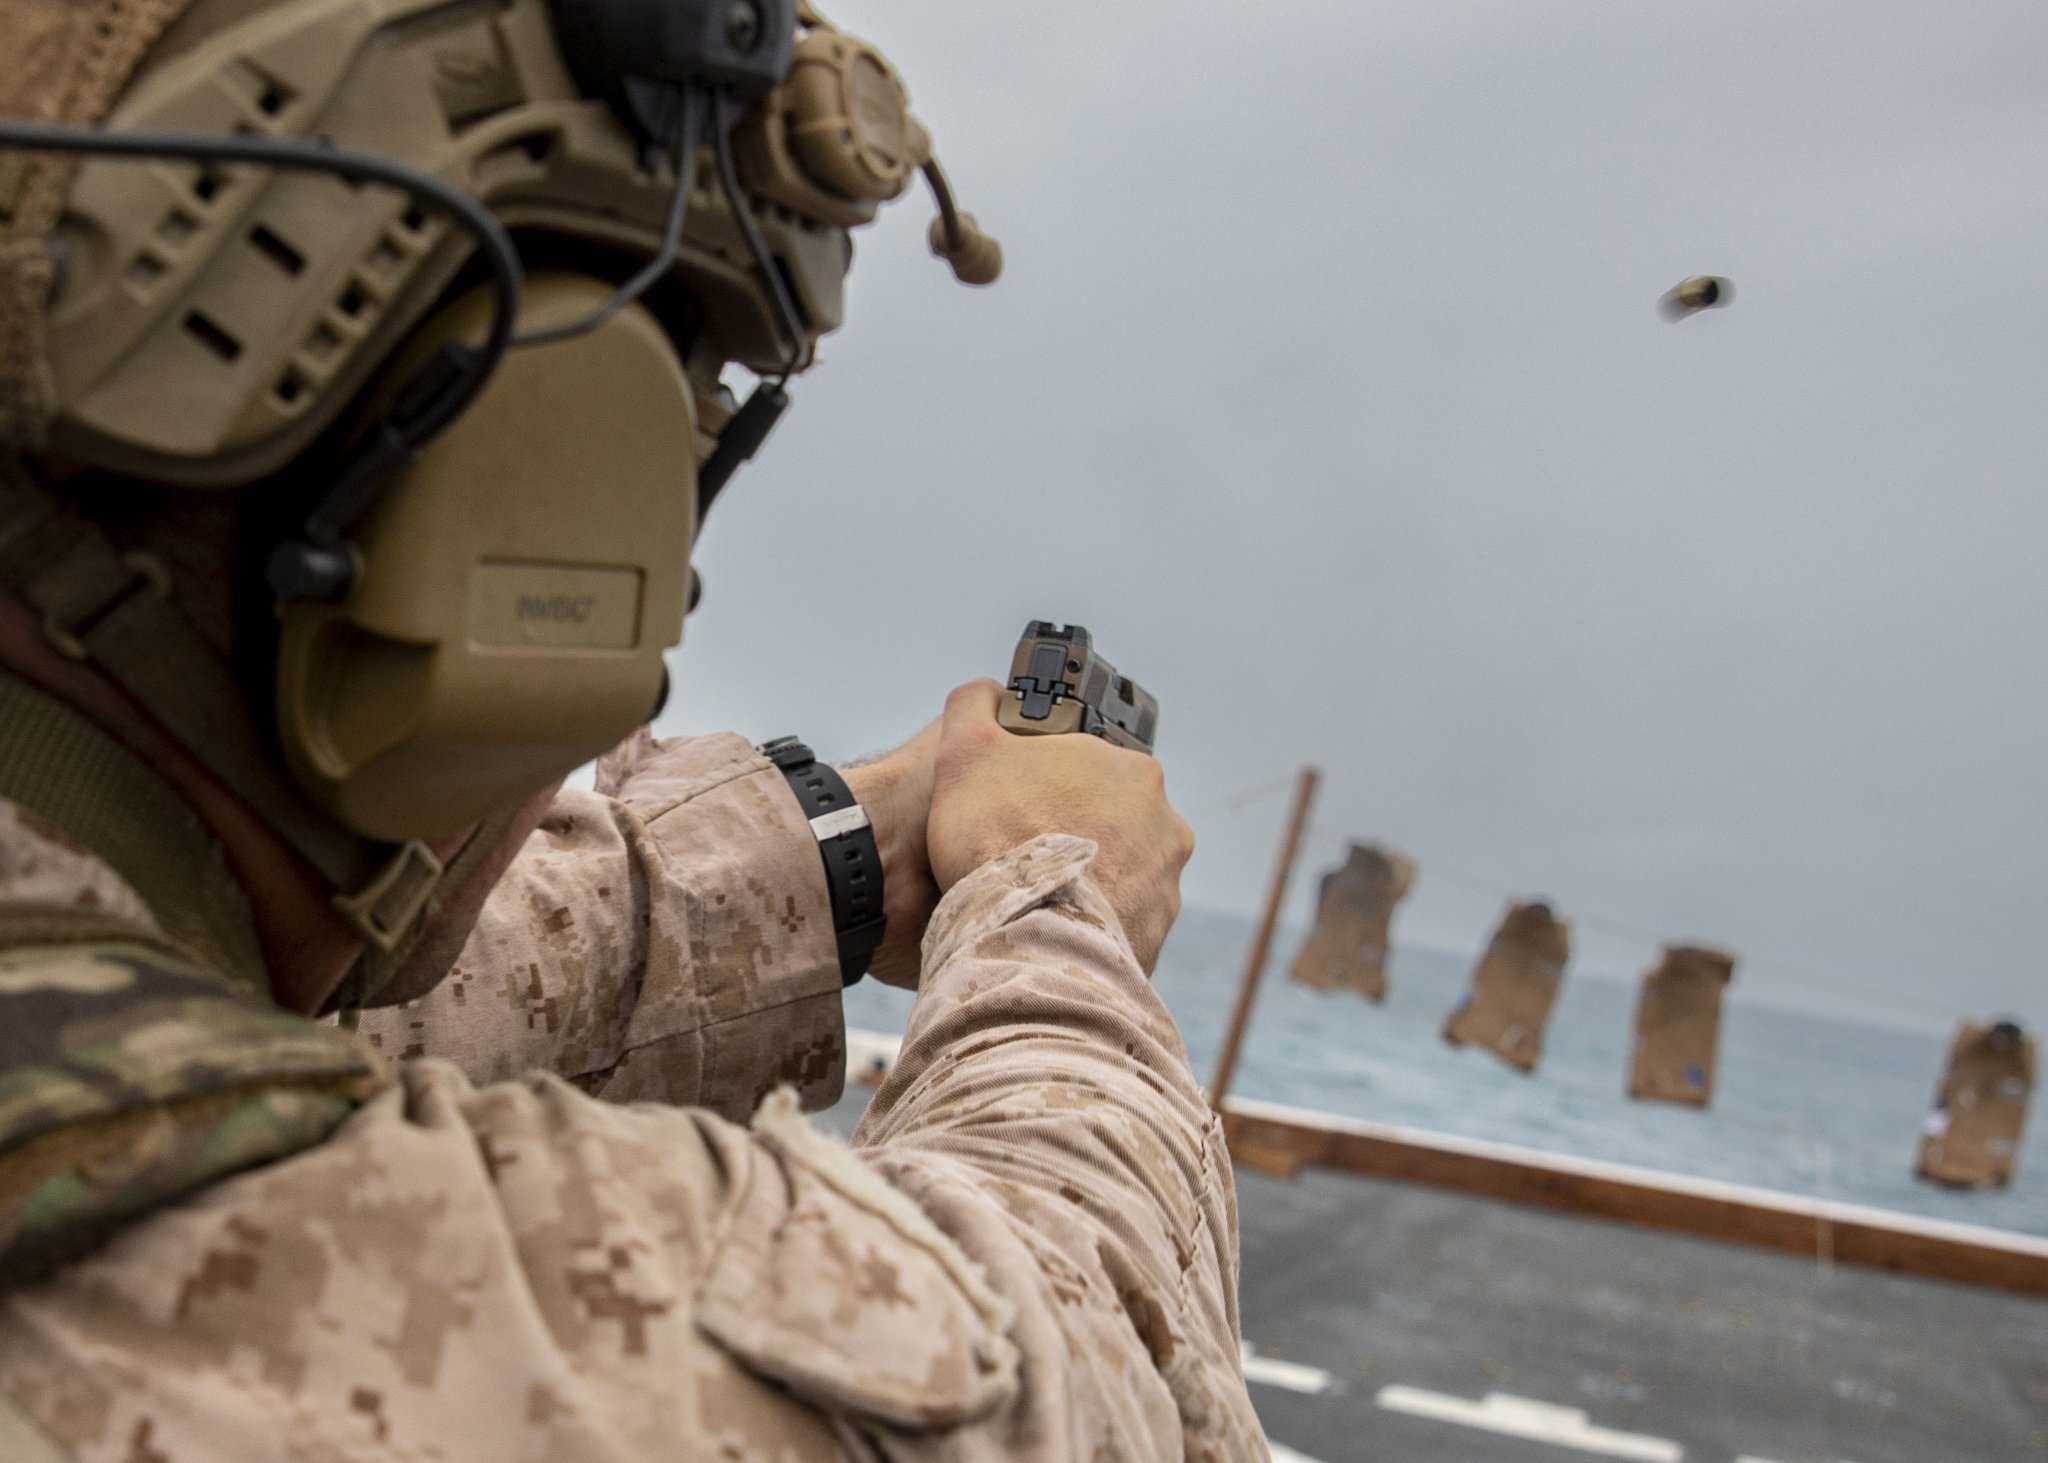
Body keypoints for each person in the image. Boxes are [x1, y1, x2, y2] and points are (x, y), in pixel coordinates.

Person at [0, 0, 1264, 1457]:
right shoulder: (212, 1264)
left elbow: (263, 1006)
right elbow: (1064, 1386)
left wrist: (842, 857)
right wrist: (1055, 911)